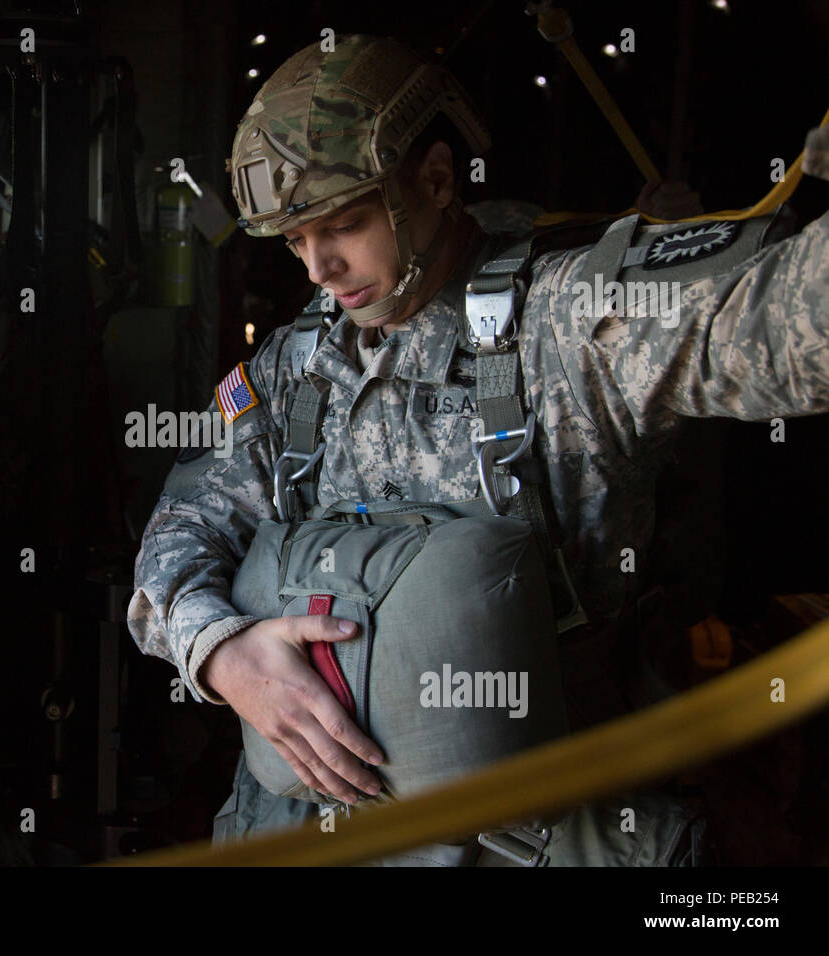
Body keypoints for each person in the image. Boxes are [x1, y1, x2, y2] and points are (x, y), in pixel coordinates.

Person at [127, 33, 829, 865]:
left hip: (546, 828)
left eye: (344, 225)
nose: (318, 267)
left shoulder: (566, 325)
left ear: (434, 180)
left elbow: (783, 325)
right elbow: (174, 541)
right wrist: (220, 654)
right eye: (293, 241)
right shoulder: (291, 370)